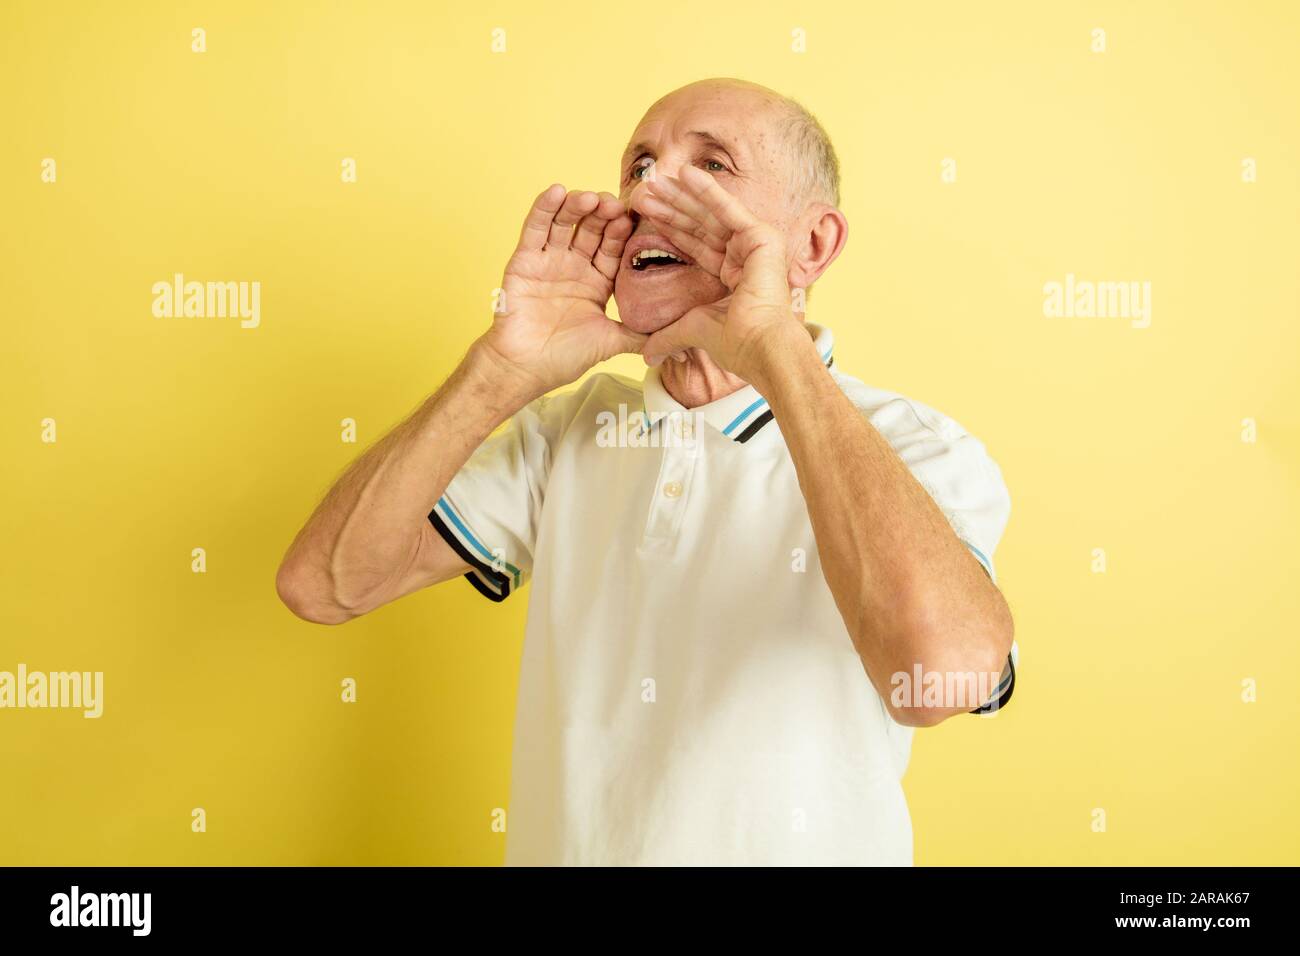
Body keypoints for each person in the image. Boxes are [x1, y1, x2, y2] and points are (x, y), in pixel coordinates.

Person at [276, 78, 1016, 865]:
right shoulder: (569, 433)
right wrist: (503, 369)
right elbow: (325, 584)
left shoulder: (920, 446)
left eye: (711, 166)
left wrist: (771, 344)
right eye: (638, 167)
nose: (648, 192)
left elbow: (945, 672)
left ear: (812, 247)